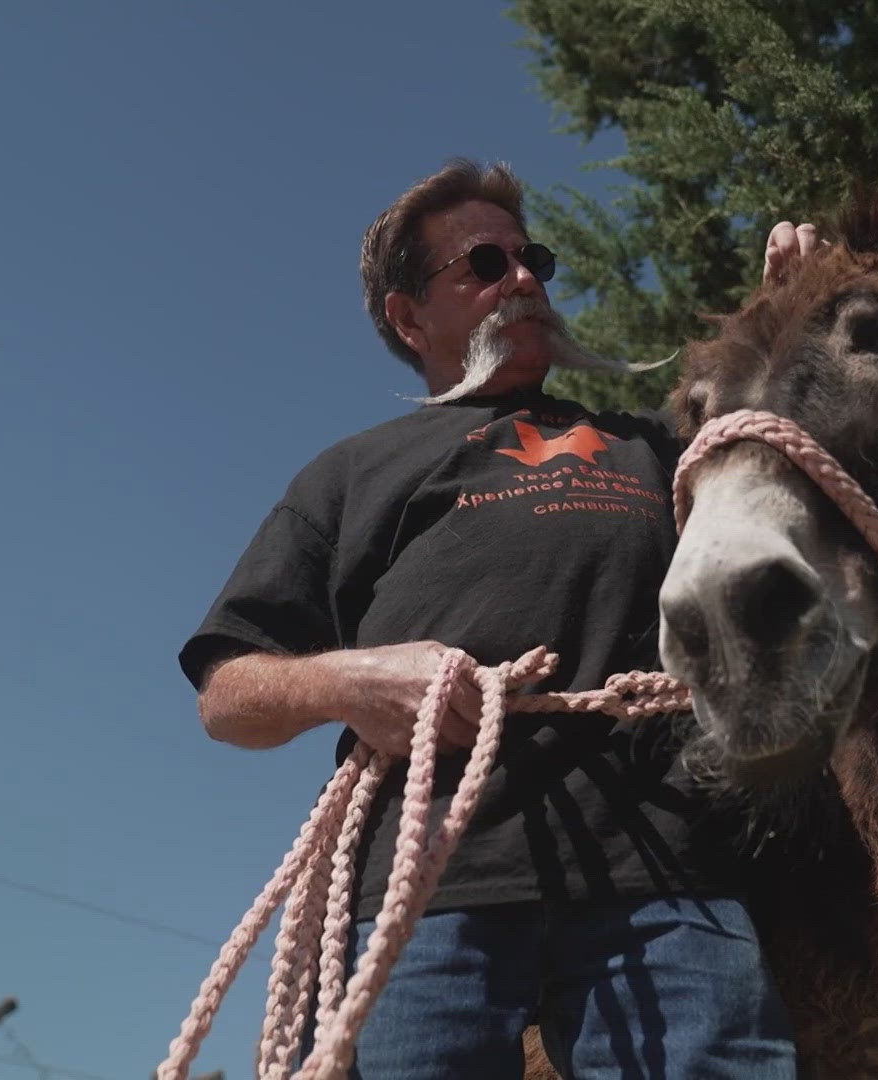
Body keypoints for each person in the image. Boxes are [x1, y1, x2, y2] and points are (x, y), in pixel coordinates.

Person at [179, 159, 819, 1079]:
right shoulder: (352, 473)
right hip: (426, 889)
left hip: (667, 872)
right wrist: (352, 681)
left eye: (533, 260)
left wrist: (793, 320)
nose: (523, 279)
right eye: (484, 264)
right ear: (409, 317)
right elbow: (227, 696)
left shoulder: (653, 447)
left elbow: (792, 472)